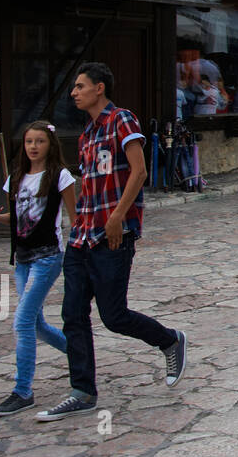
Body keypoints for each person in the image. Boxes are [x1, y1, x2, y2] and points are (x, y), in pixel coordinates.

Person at [37, 62, 186, 421]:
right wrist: (75, 226)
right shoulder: (87, 133)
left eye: (80, 86)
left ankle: (169, 340)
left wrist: (119, 216)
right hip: (83, 236)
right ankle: (82, 391)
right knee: (72, 313)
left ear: (99, 88)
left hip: (113, 234)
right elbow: (87, 184)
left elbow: (139, 171)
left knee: (114, 316)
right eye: (74, 87)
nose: (74, 92)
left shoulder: (122, 120)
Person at [0, 121, 76, 417]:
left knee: (22, 322)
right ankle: (80, 357)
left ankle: (23, 391)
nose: (33, 147)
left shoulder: (60, 176)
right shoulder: (17, 177)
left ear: (50, 144)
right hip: (22, 258)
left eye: (40, 141)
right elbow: (17, 218)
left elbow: (75, 217)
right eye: (29, 141)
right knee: (35, 324)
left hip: (47, 257)